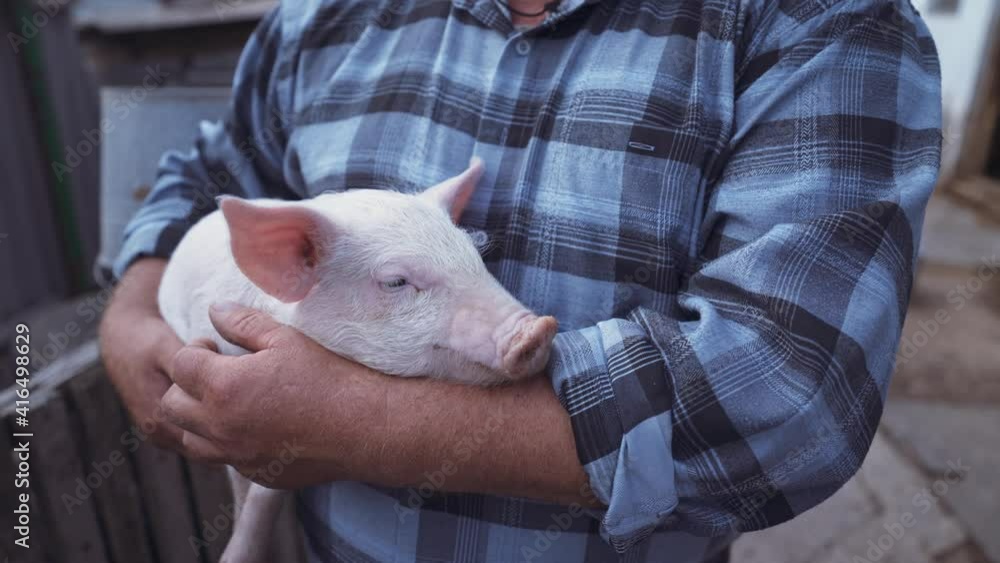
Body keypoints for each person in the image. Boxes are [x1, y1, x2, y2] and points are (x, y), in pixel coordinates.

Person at [99, 0, 942, 561]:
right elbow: (214, 168)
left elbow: (793, 399)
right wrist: (132, 316)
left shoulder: (821, 23)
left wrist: (360, 422)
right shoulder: (326, 14)